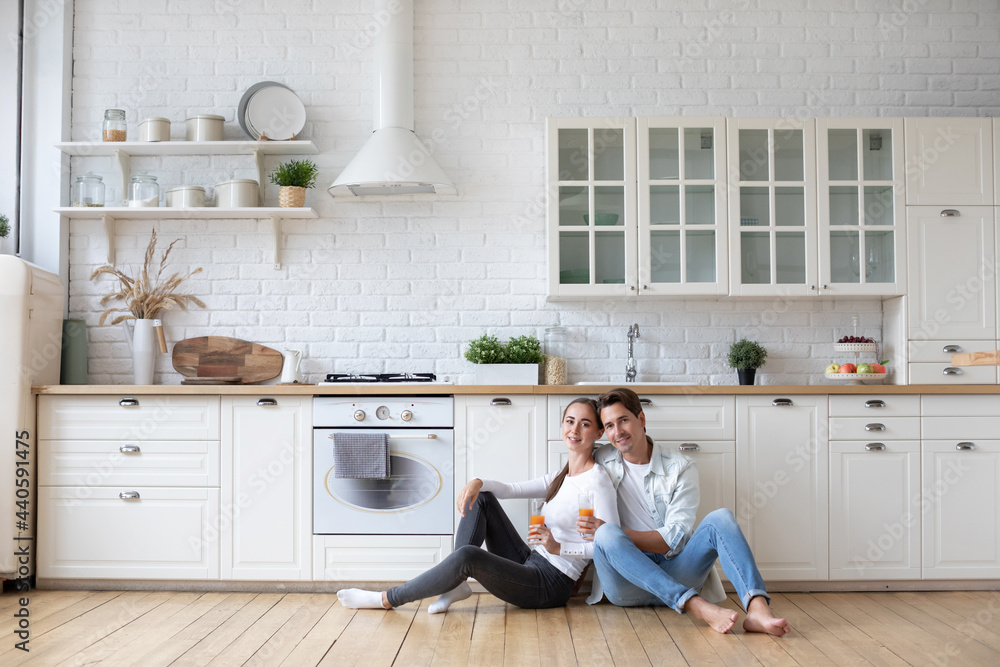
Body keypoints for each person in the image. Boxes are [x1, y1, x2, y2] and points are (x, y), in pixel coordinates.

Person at [337, 397, 619, 613]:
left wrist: (559, 547)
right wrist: (477, 481)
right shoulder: (563, 475)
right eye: (570, 421)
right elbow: (510, 489)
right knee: (483, 498)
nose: (574, 429)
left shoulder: (597, 482)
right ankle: (456, 585)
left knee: (468, 557)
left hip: (551, 584)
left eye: (585, 423)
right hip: (532, 560)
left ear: (597, 433)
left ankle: (386, 599)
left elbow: (612, 547)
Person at [588, 388, 790, 636]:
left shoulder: (680, 467)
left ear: (641, 419)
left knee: (721, 518)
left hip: (677, 570)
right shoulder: (600, 459)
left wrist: (621, 536)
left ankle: (758, 609)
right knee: (606, 534)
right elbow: (561, 478)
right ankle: (695, 605)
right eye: (609, 426)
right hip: (625, 583)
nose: (617, 432)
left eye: (623, 420)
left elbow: (675, 539)